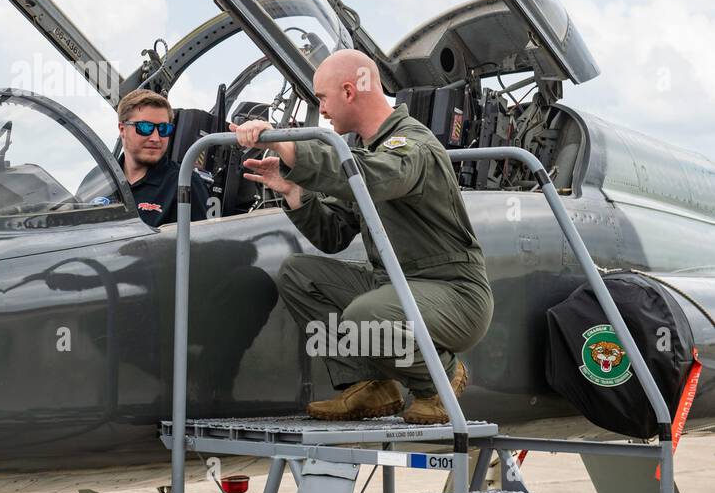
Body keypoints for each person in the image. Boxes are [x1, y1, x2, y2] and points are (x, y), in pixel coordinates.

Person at [231, 49, 492, 424]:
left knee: (365, 315)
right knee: (299, 274)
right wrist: (294, 192)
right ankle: (371, 384)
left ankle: (439, 379)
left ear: (350, 91)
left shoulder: (411, 144)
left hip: (454, 293)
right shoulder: (361, 152)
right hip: (397, 287)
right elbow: (335, 235)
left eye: (322, 98)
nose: (321, 110)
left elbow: (376, 178)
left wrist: (289, 148)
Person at [80, 88, 210, 227]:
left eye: (163, 129)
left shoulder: (185, 183)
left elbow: (201, 244)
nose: (155, 138)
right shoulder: (96, 179)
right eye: (145, 127)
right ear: (122, 129)